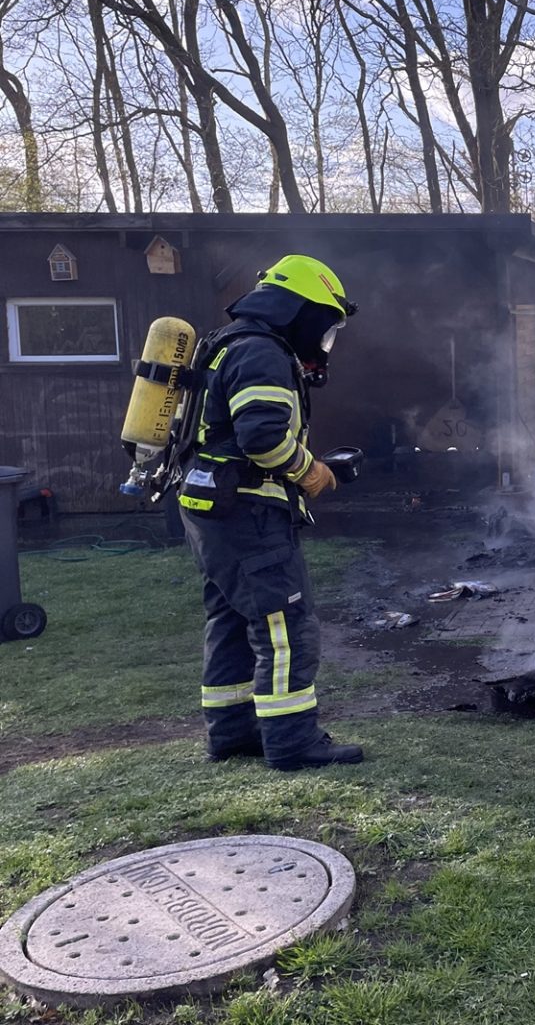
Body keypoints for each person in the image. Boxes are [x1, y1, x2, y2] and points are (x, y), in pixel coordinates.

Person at [179, 254, 364, 769]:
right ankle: (291, 743)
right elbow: (261, 436)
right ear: (300, 310)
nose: (323, 340)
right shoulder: (261, 352)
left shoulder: (226, 344)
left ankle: (233, 733)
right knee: (286, 626)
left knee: (233, 621)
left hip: (211, 511)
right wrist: (312, 472)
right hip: (247, 513)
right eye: (324, 326)